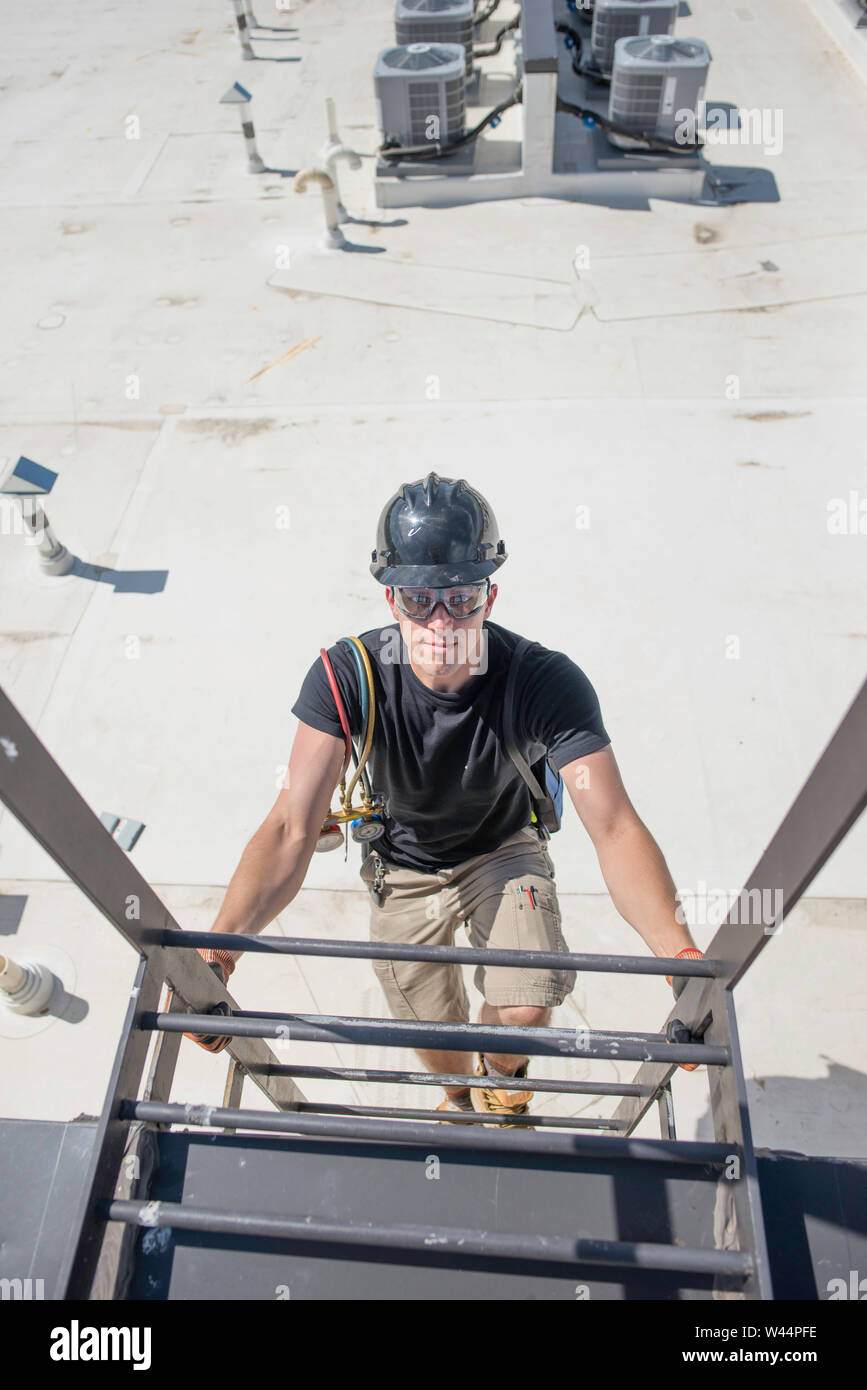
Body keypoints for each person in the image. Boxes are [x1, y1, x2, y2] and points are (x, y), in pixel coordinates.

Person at [187, 473, 703, 1125]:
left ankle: (500, 1081)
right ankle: (460, 1096)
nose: (438, 621)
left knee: (523, 1000)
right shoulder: (345, 677)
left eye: (458, 599)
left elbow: (615, 826)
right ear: (390, 596)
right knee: (430, 1032)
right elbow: (291, 826)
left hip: (504, 853)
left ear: (489, 595)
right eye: (418, 598)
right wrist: (219, 954)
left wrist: (678, 957)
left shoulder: (544, 682)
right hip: (403, 869)